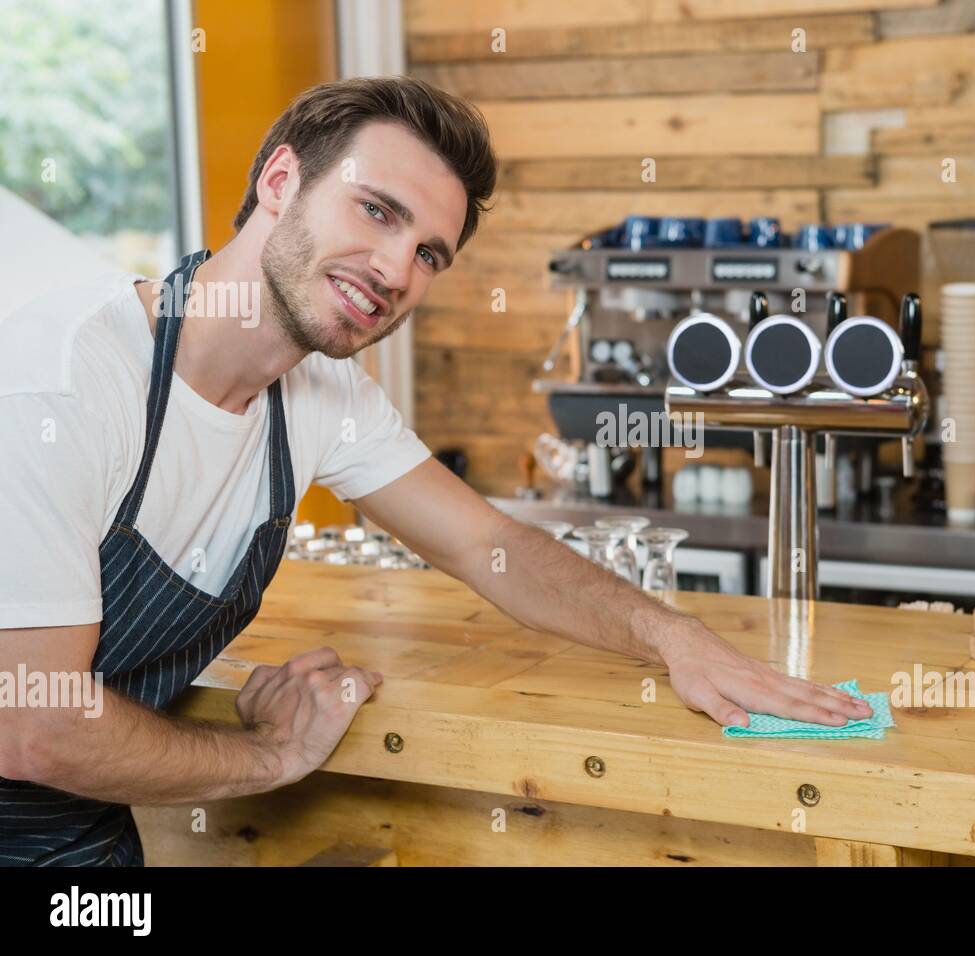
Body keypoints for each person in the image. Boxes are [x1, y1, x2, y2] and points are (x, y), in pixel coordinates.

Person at [0, 77, 871, 866]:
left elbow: (489, 544)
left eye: (429, 254)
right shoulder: (65, 375)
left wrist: (675, 640)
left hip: (84, 839)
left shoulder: (321, 394)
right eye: (377, 211)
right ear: (278, 183)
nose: (394, 271)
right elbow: (32, 725)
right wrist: (270, 757)